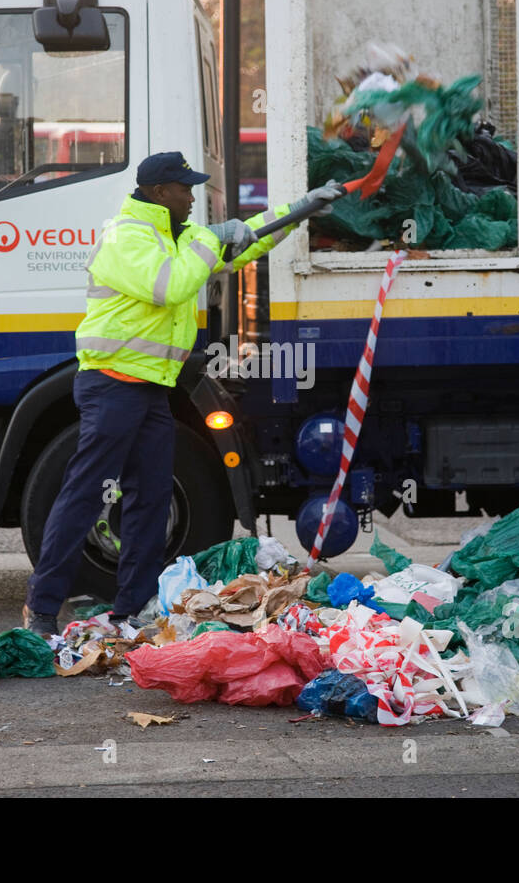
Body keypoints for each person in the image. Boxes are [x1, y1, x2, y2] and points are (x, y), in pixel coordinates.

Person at [22, 152, 338, 635]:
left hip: (151, 389)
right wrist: (214, 238)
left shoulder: (181, 235)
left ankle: (130, 610)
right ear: (158, 192)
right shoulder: (125, 236)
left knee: (150, 498)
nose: (192, 198)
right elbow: (170, 286)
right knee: (84, 496)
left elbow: (246, 242)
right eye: (184, 189)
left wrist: (300, 212)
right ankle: (42, 608)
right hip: (111, 385)